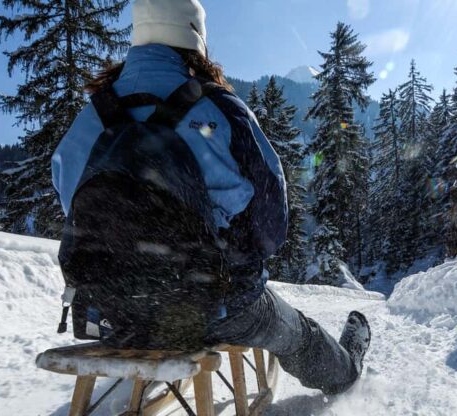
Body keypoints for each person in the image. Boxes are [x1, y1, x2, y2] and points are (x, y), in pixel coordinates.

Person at [51, 0, 371, 395]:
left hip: (107, 309)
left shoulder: (92, 116)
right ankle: (345, 373)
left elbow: (74, 208)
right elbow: (272, 221)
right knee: (296, 334)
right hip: (209, 308)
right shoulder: (217, 108)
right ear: (196, 38)